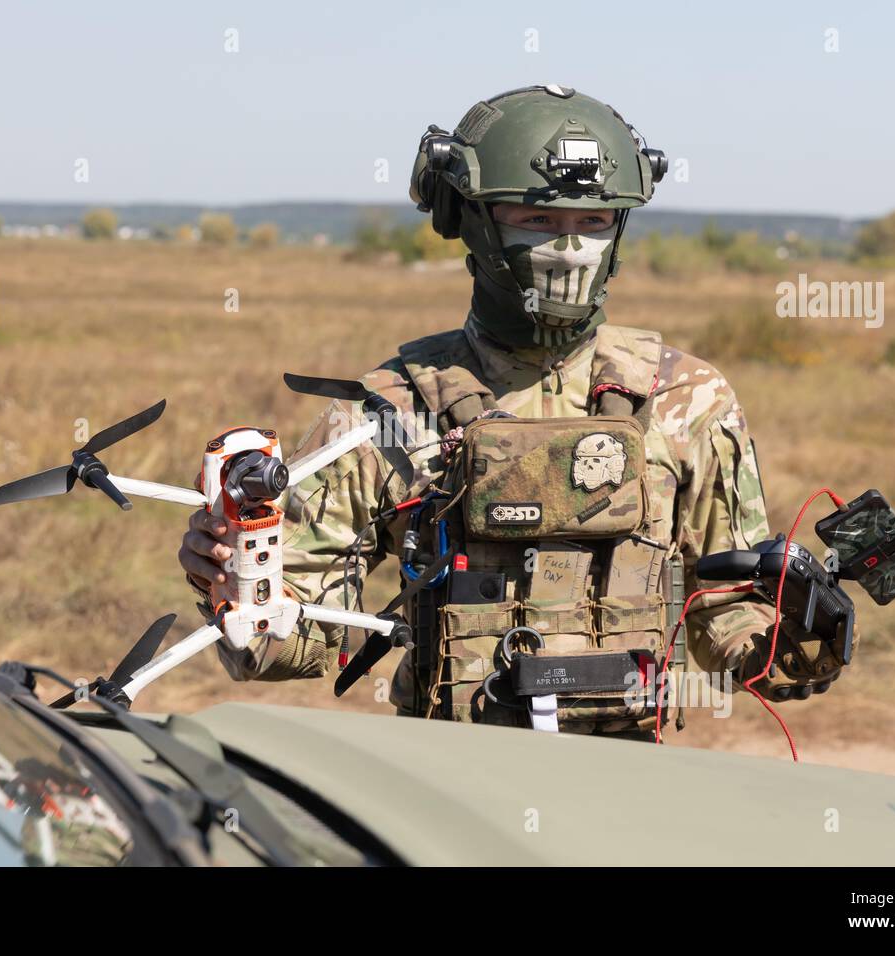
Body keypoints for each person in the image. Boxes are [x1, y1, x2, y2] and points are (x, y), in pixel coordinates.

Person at [179, 85, 852, 738]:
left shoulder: (687, 399)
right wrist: (238, 582)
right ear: (474, 221)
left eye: (593, 223)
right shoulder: (394, 408)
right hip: (453, 780)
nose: (569, 249)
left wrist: (807, 629)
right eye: (538, 220)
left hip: (628, 780)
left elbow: (734, 637)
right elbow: (285, 649)